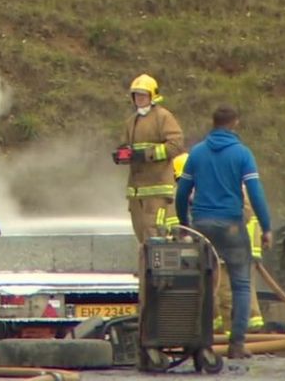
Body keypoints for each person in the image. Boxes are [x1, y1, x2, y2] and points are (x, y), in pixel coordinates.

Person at [175, 105, 272, 359]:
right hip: (231, 225)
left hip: (202, 226)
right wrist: (267, 227)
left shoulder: (196, 153)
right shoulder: (242, 154)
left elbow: (182, 192)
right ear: (235, 123)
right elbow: (255, 192)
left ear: (214, 123)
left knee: (202, 285)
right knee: (240, 284)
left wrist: (185, 224)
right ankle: (237, 344)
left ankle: (201, 343)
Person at [175, 154, 264, 334]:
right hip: (224, 250)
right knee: (220, 291)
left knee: (228, 292)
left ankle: (234, 335)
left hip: (234, 247)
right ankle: (226, 331)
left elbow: (242, 213)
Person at [114, 74, 185, 243]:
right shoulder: (132, 121)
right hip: (136, 190)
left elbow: (175, 145)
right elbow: (127, 146)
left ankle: (155, 269)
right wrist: (122, 155)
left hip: (157, 187)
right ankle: (144, 268)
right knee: (141, 235)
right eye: (136, 95)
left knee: (154, 234)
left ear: (153, 96)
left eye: (143, 95)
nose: (139, 99)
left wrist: (147, 155)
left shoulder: (163, 117)